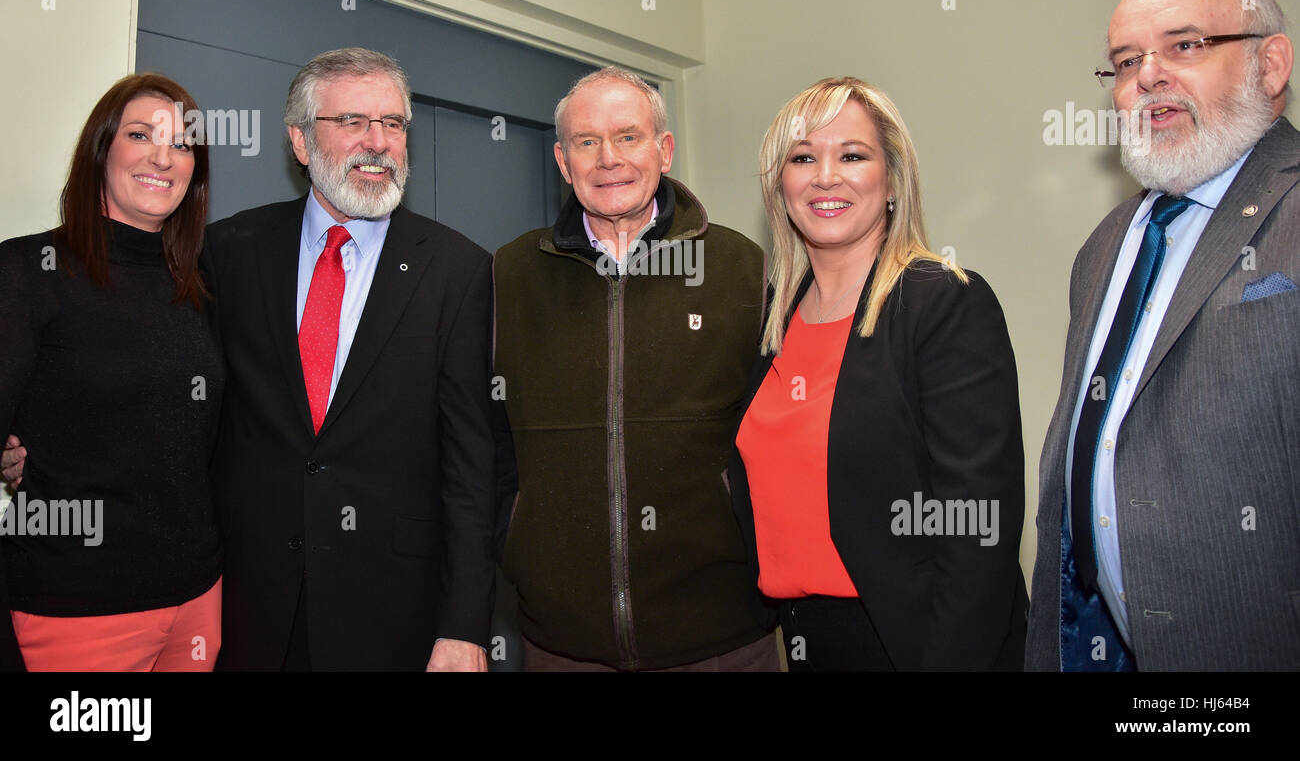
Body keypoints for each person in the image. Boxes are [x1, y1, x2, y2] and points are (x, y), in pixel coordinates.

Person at [1026, 0, 1299, 671]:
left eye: (1186, 45)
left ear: (1269, 66)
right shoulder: (1107, 246)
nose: (1148, 75)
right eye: (1124, 61)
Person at [201, 48, 501, 671]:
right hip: (249, 604)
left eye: (393, 124)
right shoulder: (231, 250)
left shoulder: (458, 270)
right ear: (301, 142)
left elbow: (474, 465)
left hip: (395, 614)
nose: (379, 142)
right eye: (353, 122)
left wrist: (466, 626)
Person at [730, 76, 1028, 671]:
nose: (825, 176)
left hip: (918, 645)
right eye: (803, 157)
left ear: (892, 180)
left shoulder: (940, 301)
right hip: (805, 640)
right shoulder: (774, 318)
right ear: (780, 184)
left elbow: (979, 531)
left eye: (853, 155)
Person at [492, 67, 778, 671]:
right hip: (562, 642)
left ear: (664, 150)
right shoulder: (510, 275)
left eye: (628, 136)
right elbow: (483, 443)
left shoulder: (738, 267)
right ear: (563, 163)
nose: (608, 159)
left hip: (723, 635)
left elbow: (778, 438)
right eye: (585, 142)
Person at [0, 74, 223, 671]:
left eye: (181, 144)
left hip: (197, 604)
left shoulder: (202, 288)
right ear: (102, 150)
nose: (161, 156)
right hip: (74, 611)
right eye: (141, 134)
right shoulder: (26, 271)